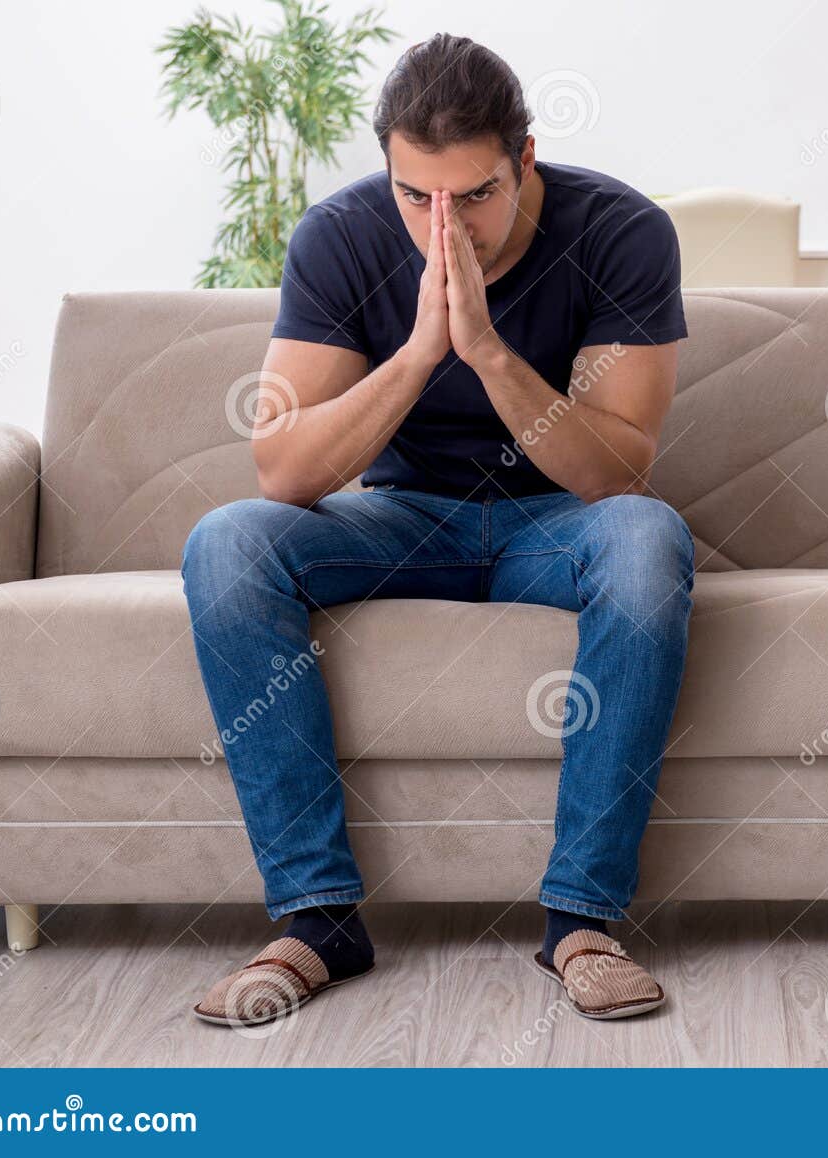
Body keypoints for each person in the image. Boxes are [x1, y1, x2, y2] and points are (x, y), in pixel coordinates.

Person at [182, 33, 691, 1025]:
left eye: (474, 195)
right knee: (229, 541)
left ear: (525, 159)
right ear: (388, 171)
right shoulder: (341, 237)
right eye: (416, 195)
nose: (443, 224)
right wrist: (418, 354)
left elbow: (621, 471)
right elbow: (284, 469)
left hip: (560, 523)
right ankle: (318, 920)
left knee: (649, 537)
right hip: (402, 516)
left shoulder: (622, 229)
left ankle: (581, 924)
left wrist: (489, 354)